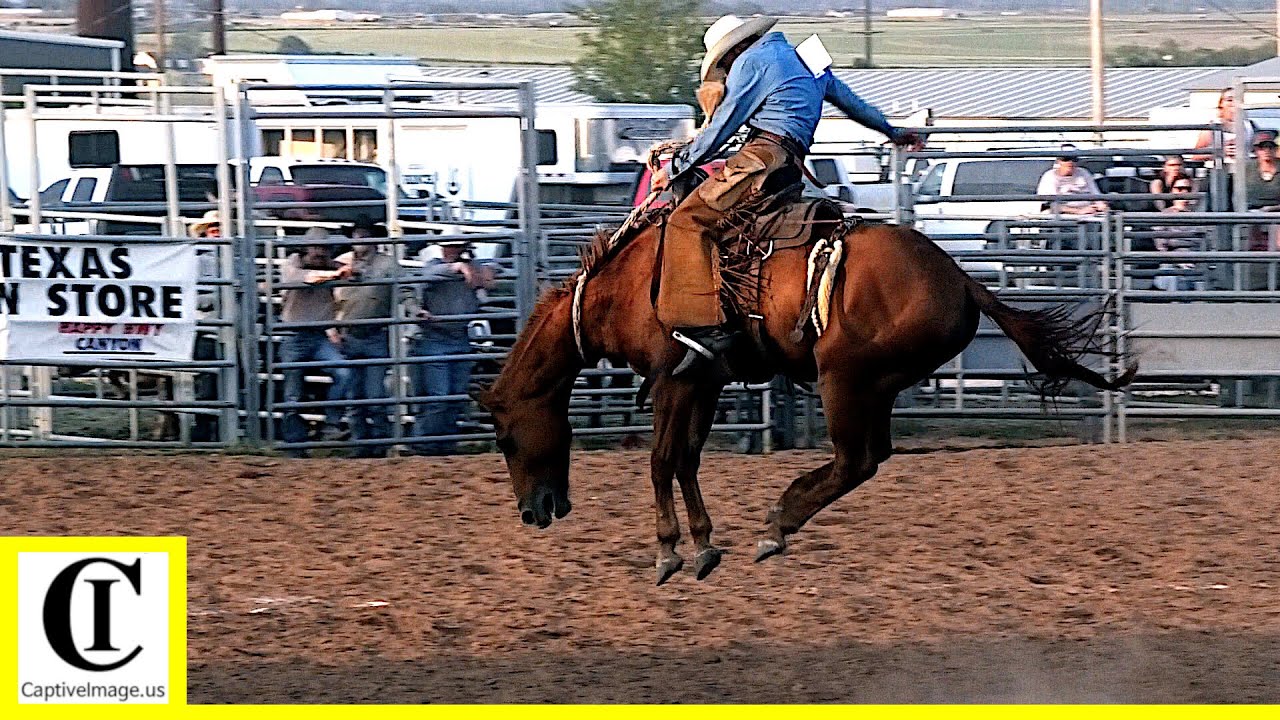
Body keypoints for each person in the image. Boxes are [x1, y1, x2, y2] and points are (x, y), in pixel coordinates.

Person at [648, 15, 921, 375]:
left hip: (761, 159)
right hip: (793, 167)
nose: (728, 72)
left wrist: (674, 168)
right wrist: (893, 131)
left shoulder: (751, 62)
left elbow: (720, 130)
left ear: (735, 50)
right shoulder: (806, 57)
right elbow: (852, 103)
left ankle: (706, 329)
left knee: (687, 219)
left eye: (725, 64)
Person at [332, 219, 426, 458]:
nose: (360, 239)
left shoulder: (387, 265)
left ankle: (379, 443)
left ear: (374, 238)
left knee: (373, 395)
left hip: (373, 334)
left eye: (364, 234)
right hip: (347, 335)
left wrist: (414, 309)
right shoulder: (342, 262)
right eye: (356, 235)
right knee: (355, 396)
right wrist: (331, 327)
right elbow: (328, 297)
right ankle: (361, 444)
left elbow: (405, 289)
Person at [410, 239, 497, 454]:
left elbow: (492, 273)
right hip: (435, 337)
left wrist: (474, 268)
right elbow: (423, 278)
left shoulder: (472, 268)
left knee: (454, 396)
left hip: (454, 336)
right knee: (439, 397)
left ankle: (441, 445)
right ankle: (427, 445)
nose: (458, 249)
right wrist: (458, 267)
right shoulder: (433, 267)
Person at [279, 227, 353, 457]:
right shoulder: (293, 265)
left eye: (323, 248)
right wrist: (338, 273)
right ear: (306, 248)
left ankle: (330, 424)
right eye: (316, 247)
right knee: (293, 395)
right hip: (294, 334)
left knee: (345, 373)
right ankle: (296, 444)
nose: (319, 252)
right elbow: (306, 279)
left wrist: (344, 271)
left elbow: (349, 273)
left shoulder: (330, 266)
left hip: (318, 334)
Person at [1036, 145, 1108, 216]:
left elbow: (1096, 194)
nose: (1070, 162)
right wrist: (1078, 211)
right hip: (1064, 215)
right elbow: (1050, 205)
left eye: (1074, 159)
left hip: (1090, 211)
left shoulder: (1084, 172)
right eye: (1066, 159)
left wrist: (1101, 205)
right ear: (1059, 161)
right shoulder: (1050, 176)